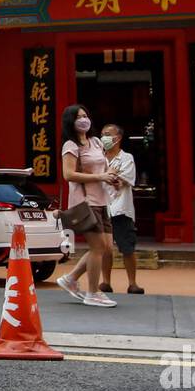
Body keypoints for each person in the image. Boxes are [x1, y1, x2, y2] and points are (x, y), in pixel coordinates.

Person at [55, 105, 119, 307]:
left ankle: (70, 278)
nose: (84, 120)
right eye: (79, 117)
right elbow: (68, 174)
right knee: (98, 246)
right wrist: (100, 176)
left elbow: (104, 168)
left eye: (85, 115)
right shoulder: (71, 146)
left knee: (106, 247)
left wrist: (111, 177)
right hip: (85, 201)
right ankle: (93, 293)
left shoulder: (96, 142)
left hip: (102, 200)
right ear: (70, 122)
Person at [100, 123, 143, 294]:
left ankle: (132, 283)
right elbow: (98, 177)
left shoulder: (127, 158)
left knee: (127, 247)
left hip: (121, 208)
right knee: (105, 248)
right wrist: (110, 176)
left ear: (118, 138)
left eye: (108, 134)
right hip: (103, 206)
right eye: (102, 134)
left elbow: (124, 179)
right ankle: (106, 282)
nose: (104, 137)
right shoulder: (99, 158)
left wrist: (109, 176)